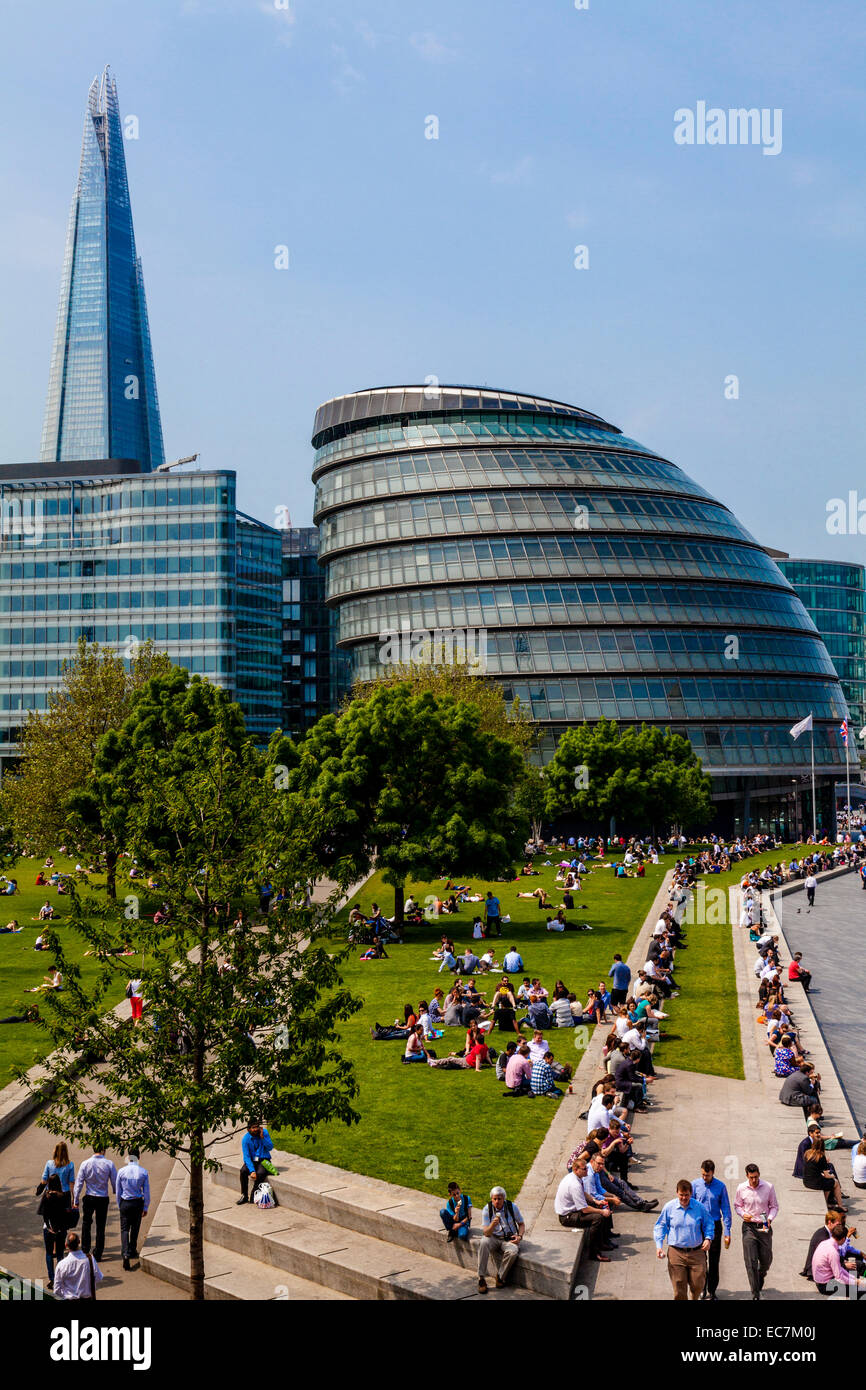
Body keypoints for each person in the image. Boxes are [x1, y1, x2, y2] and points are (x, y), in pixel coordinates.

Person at [654, 1180, 714, 1300]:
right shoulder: (669, 1207)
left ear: (691, 1193)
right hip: (676, 1253)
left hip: (697, 1252)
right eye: (681, 1195)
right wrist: (659, 1246)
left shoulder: (699, 1208)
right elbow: (660, 1226)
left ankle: (694, 1296)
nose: (684, 1198)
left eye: (686, 1195)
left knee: (698, 1285)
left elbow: (709, 1224)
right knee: (679, 1288)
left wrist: (708, 1238)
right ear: (677, 1193)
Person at [554, 1155, 615, 1260]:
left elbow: (584, 1193)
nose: (587, 1170)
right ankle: (594, 1253)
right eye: (584, 1169)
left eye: (587, 1168)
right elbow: (584, 1209)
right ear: (576, 1169)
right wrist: (602, 1212)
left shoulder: (576, 1177)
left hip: (574, 1210)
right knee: (598, 1218)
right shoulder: (574, 1184)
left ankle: (603, 1242)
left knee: (602, 1205)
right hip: (567, 1217)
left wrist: (596, 1201)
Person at [734, 1164, 778, 1300]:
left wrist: (770, 1219)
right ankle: (755, 1294)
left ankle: (761, 1274)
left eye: (756, 1177)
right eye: (751, 1177)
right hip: (749, 1226)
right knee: (751, 1261)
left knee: (766, 1259)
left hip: (764, 1222)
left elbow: (774, 1206)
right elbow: (737, 1205)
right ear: (747, 1176)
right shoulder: (741, 1188)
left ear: (759, 1174)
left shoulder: (768, 1187)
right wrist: (742, 1213)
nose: (754, 1180)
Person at [692, 1160, 732, 1301]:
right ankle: (702, 1289)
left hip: (715, 1225)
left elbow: (726, 1209)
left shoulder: (720, 1187)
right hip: (699, 1227)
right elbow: (689, 1205)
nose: (704, 1178)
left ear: (713, 1173)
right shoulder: (695, 1185)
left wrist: (727, 1231)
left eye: (707, 1175)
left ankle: (712, 1290)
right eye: (703, 1174)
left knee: (714, 1261)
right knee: (701, 1261)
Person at [72, 1144, 118, 1262]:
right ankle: (98, 1252)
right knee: (100, 1226)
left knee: (86, 1223)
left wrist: (75, 1200)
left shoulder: (85, 1163)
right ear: (103, 1150)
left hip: (89, 1196)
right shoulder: (109, 1164)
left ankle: (85, 1249)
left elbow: (79, 1183)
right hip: (102, 1197)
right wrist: (115, 1192)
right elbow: (114, 1181)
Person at [477, 1186, 524, 1293]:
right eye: (494, 1199)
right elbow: (486, 1233)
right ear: (491, 1199)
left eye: (499, 1198)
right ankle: (481, 1278)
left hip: (509, 1238)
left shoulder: (512, 1207)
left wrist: (519, 1236)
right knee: (483, 1242)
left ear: (504, 1199)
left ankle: (500, 1276)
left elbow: (521, 1224)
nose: (497, 1201)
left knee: (513, 1252)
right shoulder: (487, 1209)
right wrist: (492, 1225)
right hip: (493, 1237)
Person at [116, 1150, 150, 1269]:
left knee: (124, 1229)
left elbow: (118, 1191)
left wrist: (119, 1204)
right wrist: (145, 1206)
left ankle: (125, 1253)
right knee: (135, 1228)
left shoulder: (121, 1171)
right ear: (139, 1157)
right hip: (137, 1202)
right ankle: (132, 1249)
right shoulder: (143, 1172)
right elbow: (146, 1192)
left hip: (125, 1202)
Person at [811, 1223, 866, 1297]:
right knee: (860, 1290)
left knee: (857, 1281)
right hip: (825, 1285)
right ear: (843, 1238)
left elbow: (840, 1269)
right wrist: (858, 1282)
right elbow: (840, 1277)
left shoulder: (824, 1243)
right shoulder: (833, 1252)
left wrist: (855, 1279)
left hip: (822, 1279)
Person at [39, 1174, 70, 1289]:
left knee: (48, 1253)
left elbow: (45, 1215)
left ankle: (52, 1279)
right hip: (61, 1229)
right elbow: (67, 1212)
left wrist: (49, 1227)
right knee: (60, 1254)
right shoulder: (64, 1196)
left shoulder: (46, 1196)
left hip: (49, 1229)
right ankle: (60, 1278)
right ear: (59, 1184)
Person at [52, 1232, 103, 1301]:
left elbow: (57, 1290)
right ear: (79, 1242)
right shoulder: (90, 1259)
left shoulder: (61, 1265)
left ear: (66, 1245)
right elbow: (98, 1278)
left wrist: (67, 1295)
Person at [237, 1120, 277, 1205]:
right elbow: (246, 1157)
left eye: (257, 1127)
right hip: (252, 1160)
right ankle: (244, 1195)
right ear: (248, 1129)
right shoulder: (246, 1139)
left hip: (264, 1159)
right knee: (243, 1171)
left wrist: (263, 1138)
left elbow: (270, 1147)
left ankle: (253, 1195)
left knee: (261, 1173)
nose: (256, 1129)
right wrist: (252, 1171)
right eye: (253, 1127)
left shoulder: (264, 1132)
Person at [802, 1137, 847, 1211]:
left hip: (806, 1181)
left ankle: (826, 1202)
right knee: (835, 1182)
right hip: (815, 1183)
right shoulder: (821, 1156)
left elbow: (813, 1167)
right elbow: (826, 1175)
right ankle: (840, 1205)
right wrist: (833, 1176)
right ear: (823, 1146)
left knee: (828, 1183)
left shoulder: (807, 1153)